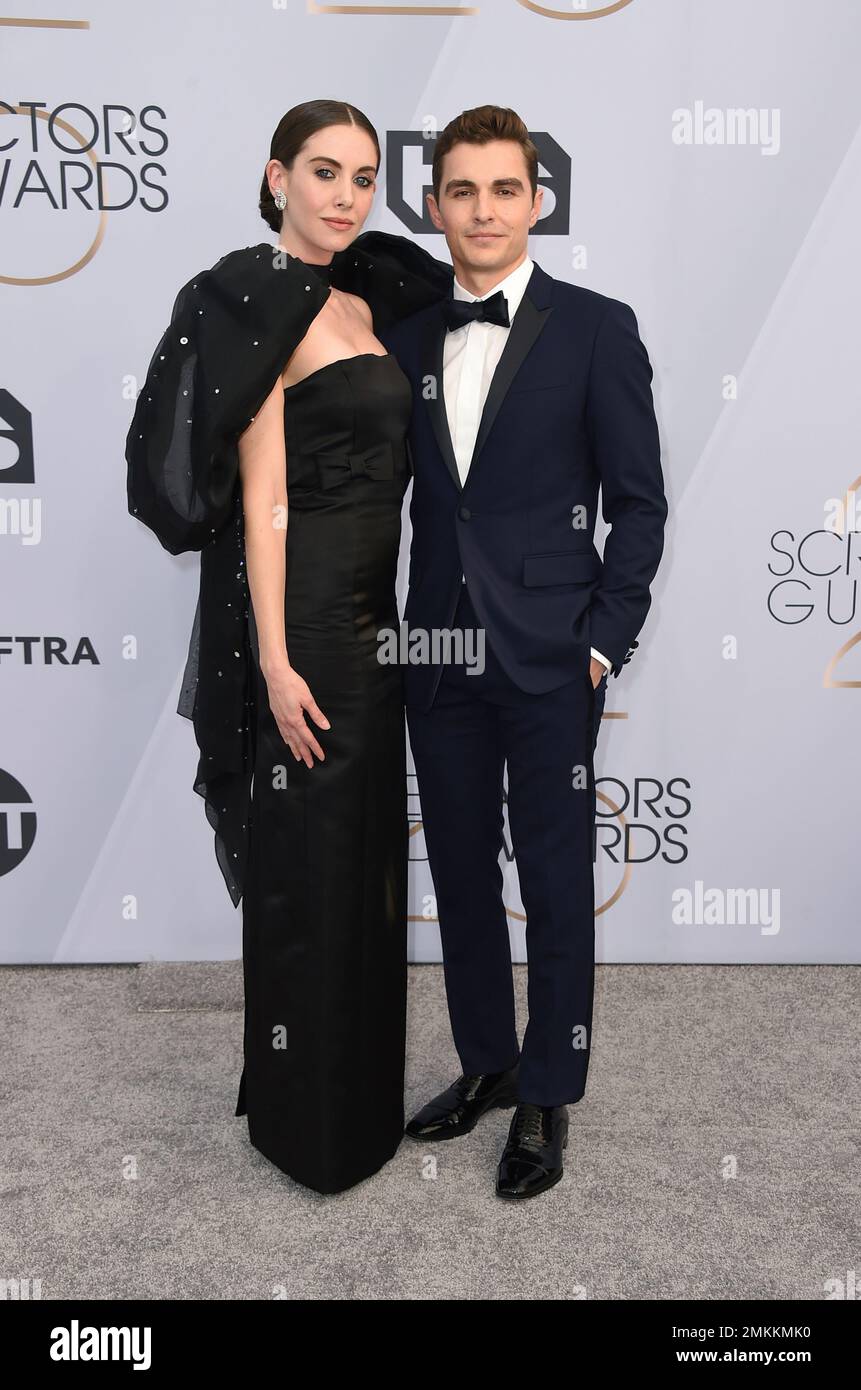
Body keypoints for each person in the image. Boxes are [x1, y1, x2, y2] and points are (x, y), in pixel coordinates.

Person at [126, 100, 451, 1194]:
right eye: (322, 172)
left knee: (362, 868)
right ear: (276, 178)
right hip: (304, 623)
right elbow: (261, 503)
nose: (345, 195)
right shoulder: (258, 301)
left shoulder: (368, 299)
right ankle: (307, 1128)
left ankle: (359, 1105)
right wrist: (272, 659)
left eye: (363, 176)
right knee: (306, 874)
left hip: (377, 625)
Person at [380, 105, 668, 1200]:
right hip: (437, 647)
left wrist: (604, 642)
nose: (484, 210)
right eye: (462, 190)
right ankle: (488, 1063)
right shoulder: (406, 340)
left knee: (553, 879)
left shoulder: (598, 327)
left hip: (555, 654)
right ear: (435, 203)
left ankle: (548, 1094)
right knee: (456, 869)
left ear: (537, 201)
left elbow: (639, 504)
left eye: (505, 190)